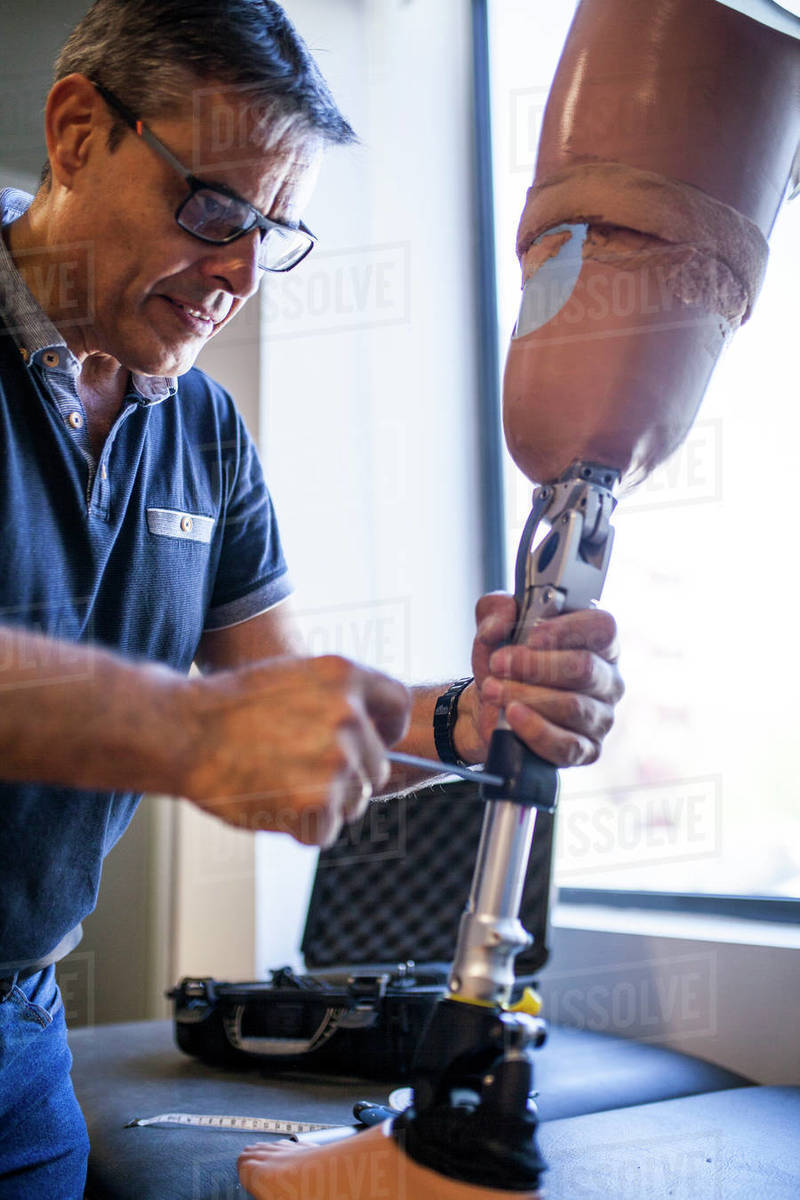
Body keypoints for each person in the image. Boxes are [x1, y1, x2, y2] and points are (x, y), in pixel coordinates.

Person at [0, 1, 624, 1195]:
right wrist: (185, 731)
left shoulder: (203, 431)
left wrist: (471, 722)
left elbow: (285, 733)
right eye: (215, 208)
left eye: (271, 233)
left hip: (16, 1032)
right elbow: (211, 729)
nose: (241, 272)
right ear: (78, 132)